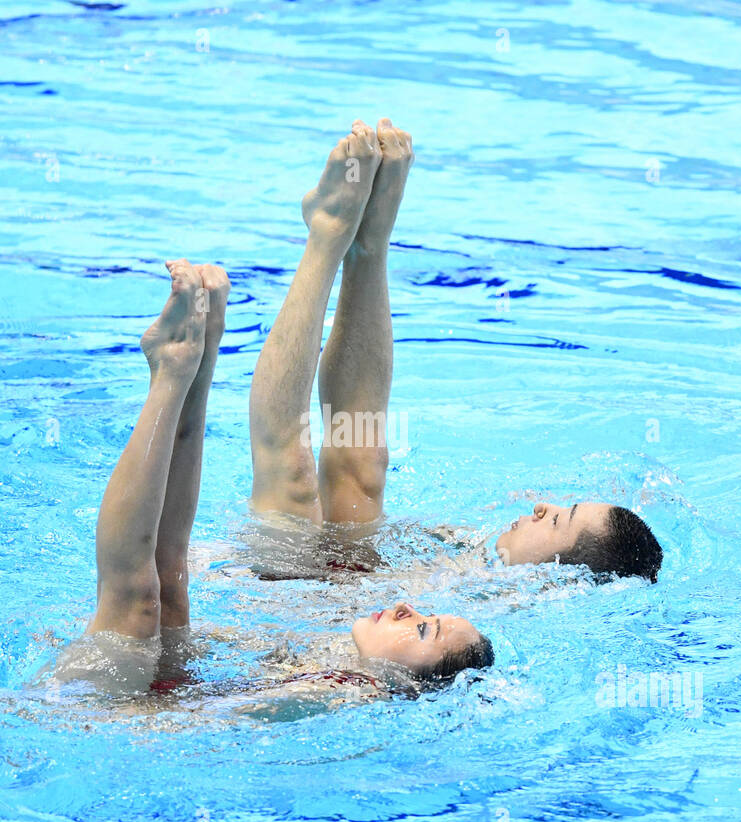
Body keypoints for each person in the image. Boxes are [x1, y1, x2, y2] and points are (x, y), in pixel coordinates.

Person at [50, 254, 492, 699]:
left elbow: (214, 728)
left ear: (408, 683)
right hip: (162, 696)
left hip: (107, 713)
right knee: (167, 584)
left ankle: (179, 367)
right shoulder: (338, 668)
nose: (405, 608)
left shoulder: (347, 694)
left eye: (422, 632)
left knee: (136, 601)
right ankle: (190, 362)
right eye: (424, 615)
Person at [247, 119, 663, 584]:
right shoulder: (484, 562)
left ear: (560, 575)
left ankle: (326, 236)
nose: (543, 507)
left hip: (297, 594)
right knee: (362, 464)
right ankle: (369, 242)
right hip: (355, 578)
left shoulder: (518, 602)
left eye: (558, 521)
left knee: (292, 481)